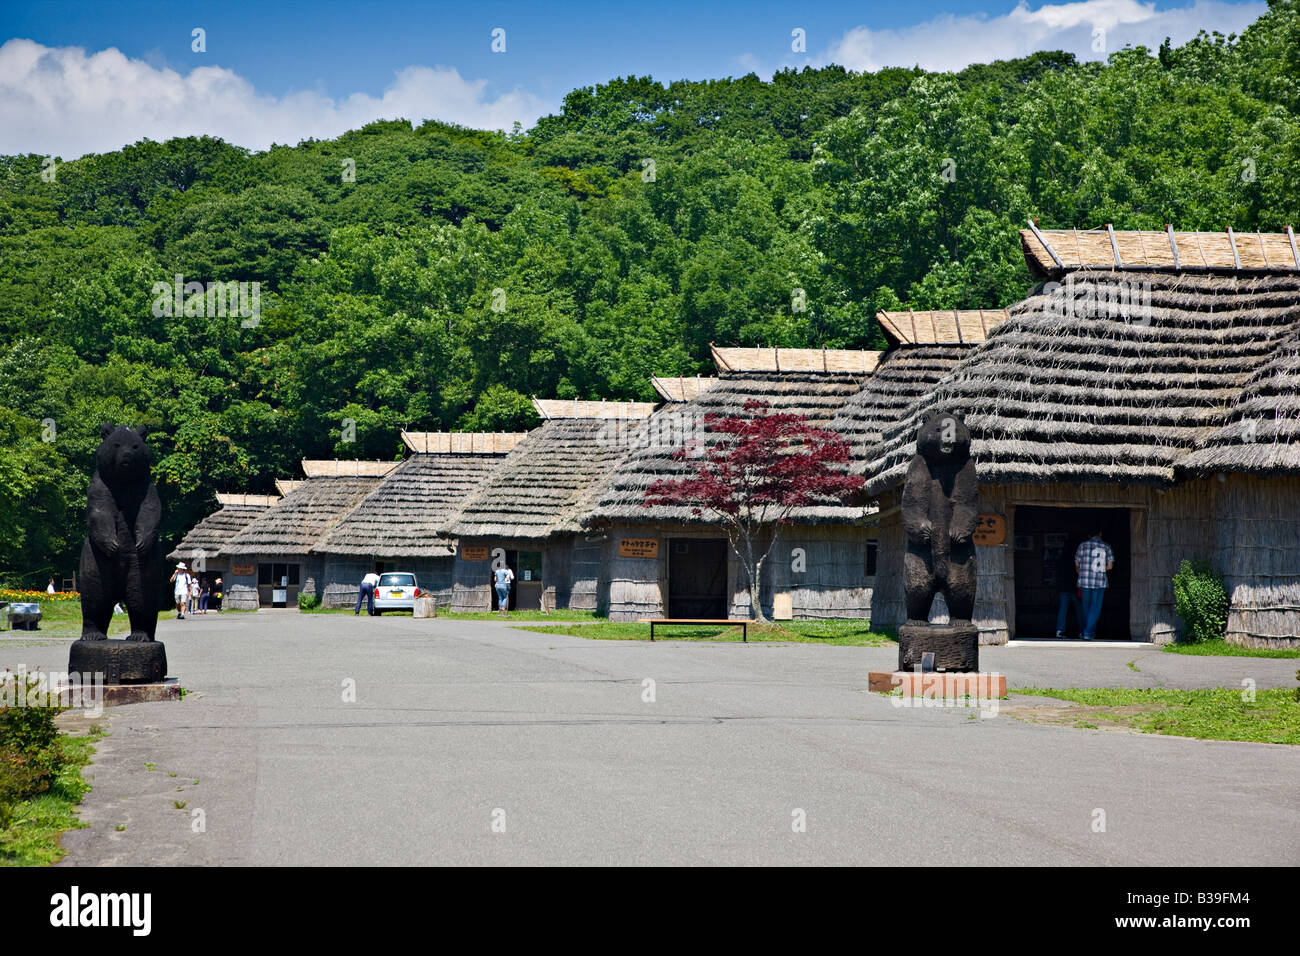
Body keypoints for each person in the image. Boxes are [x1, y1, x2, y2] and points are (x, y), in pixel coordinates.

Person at [1074, 529, 1115, 641]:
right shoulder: (1106, 546)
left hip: (1084, 581)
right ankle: (1088, 632)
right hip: (1099, 581)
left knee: (1085, 607)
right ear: (1100, 533)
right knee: (1095, 608)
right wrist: (1101, 569)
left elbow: (1077, 564)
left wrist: (1082, 571)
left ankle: (1084, 631)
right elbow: (1110, 566)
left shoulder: (1082, 546)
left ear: (1088, 535)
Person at [1055, 534, 1082, 639]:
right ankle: (1082, 631)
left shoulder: (1061, 559)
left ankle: (1060, 630)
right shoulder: (1076, 559)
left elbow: (1058, 574)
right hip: (1075, 587)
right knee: (1080, 610)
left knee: (1063, 610)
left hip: (1063, 588)